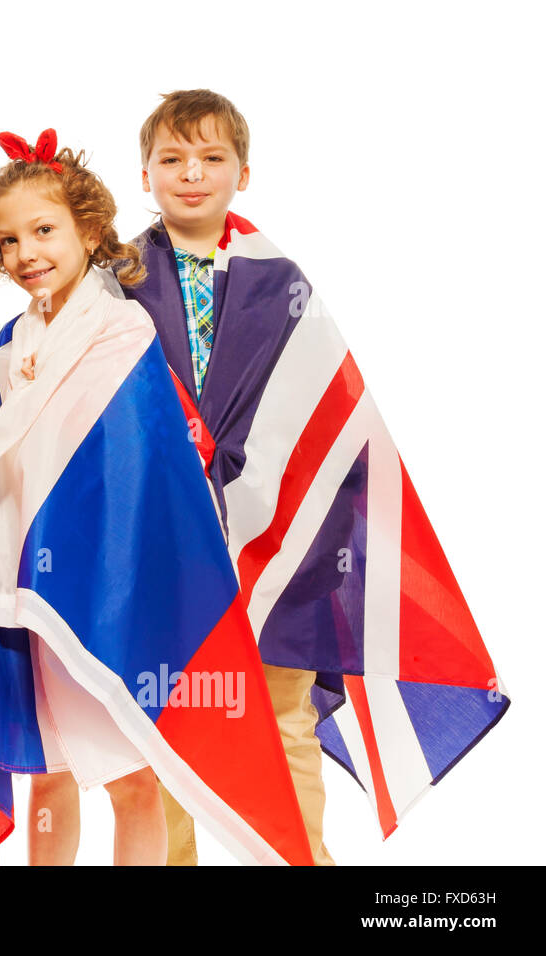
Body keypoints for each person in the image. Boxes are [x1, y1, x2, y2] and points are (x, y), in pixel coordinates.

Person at [126, 89, 508, 864]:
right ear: (145, 175)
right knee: (172, 719)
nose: (191, 174)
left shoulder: (279, 280)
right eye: (172, 159)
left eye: (211, 158)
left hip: (283, 534)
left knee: (282, 715)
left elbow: (326, 408)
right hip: (166, 532)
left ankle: (302, 858)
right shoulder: (122, 277)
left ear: (243, 171)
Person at [0, 130, 312, 866]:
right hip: (26, 590)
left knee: (134, 776)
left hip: (106, 587)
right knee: (48, 774)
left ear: (88, 230)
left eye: (45, 231)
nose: (28, 253)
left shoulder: (122, 329)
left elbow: (137, 468)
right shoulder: (6, 345)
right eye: (10, 239)